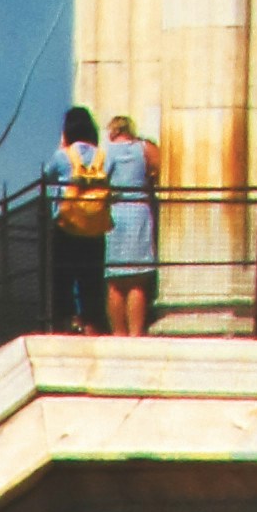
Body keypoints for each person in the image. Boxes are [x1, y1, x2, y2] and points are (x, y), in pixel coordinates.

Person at [47, 104, 110, 332]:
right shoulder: (103, 156)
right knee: (91, 280)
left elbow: (47, 175)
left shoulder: (63, 156)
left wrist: (62, 146)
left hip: (67, 225)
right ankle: (92, 326)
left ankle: (65, 324)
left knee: (63, 279)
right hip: (95, 227)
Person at [100, 110, 159, 340]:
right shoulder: (144, 148)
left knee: (115, 281)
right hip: (139, 210)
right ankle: (136, 333)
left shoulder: (108, 152)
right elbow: (157, 167)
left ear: (114, 131)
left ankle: (119, 333)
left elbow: (99, 178)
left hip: (116, 213)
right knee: (137, 278)